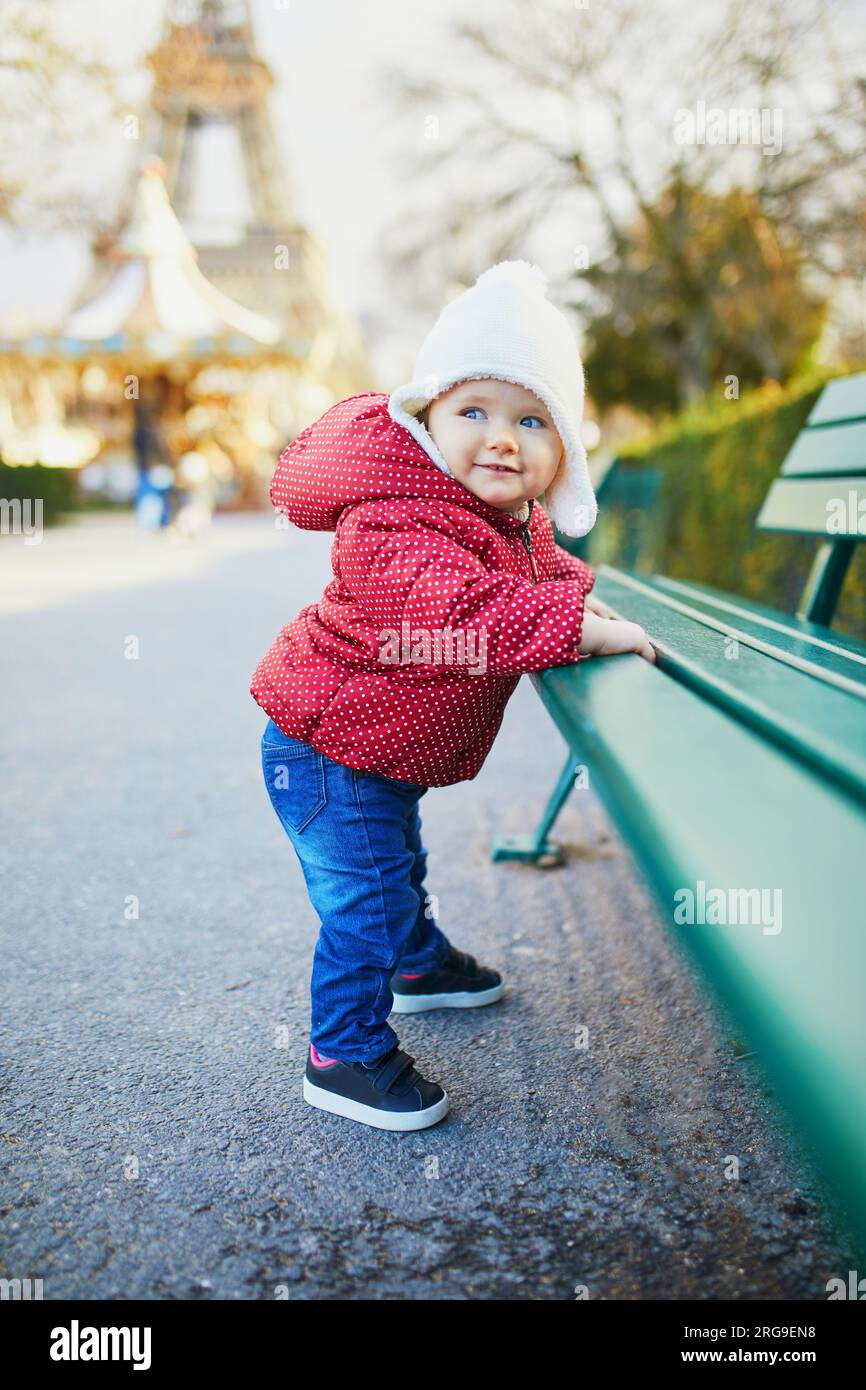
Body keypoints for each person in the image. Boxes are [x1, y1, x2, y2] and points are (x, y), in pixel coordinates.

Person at [250, 260, 655, 1132]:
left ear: (563, 452)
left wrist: (586, 602)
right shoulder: (393, 518)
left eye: (531, 419)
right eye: (475, 411)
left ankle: (418, 965)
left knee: (397, 860)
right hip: (325, 751)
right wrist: (576, 627)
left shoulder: (504, 518)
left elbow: (544, 572)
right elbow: (463, 613)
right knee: (368, 899)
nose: (501, 439)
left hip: (375, 752)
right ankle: (343, 1054)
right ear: (427, 417)